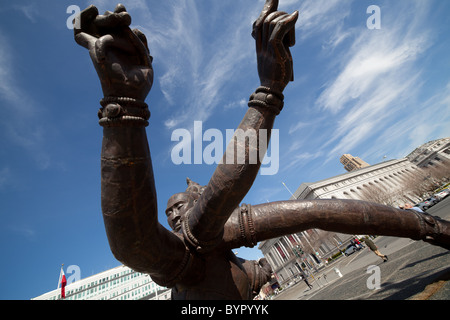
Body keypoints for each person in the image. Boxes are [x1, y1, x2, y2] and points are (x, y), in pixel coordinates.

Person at [73, 0, 450, 300]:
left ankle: (431, 227)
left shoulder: (211, 231)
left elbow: (317, 210)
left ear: (197, 199)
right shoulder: (181, 262)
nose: (173, 216)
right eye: (169, 212)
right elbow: (133, 242)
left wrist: (426, 225)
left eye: (178, 208)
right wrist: (123, 107)